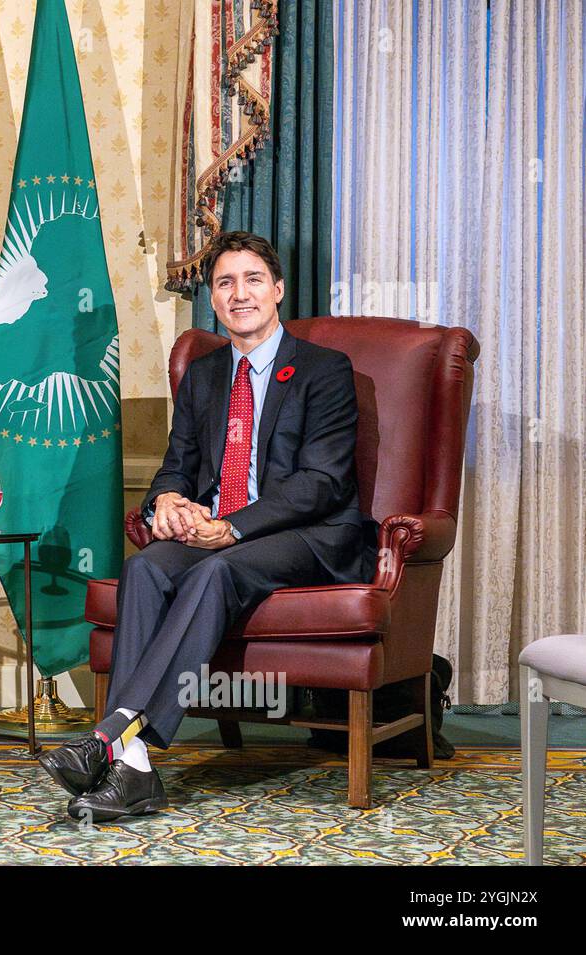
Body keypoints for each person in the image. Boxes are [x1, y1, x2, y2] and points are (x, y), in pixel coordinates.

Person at [39, 231, 376, 821]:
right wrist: (167, 503)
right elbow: (177, 467)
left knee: (215, 572)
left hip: (308, 537)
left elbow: (322, 482)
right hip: (217, 532)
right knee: (145, 567)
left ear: (276, 290)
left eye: (251, 280)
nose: (238, 293)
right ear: (214, 300)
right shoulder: (204, 375)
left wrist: (233, 526)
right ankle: (134, 767)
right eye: (224, 283)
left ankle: (112, 733)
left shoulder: (325, 369)